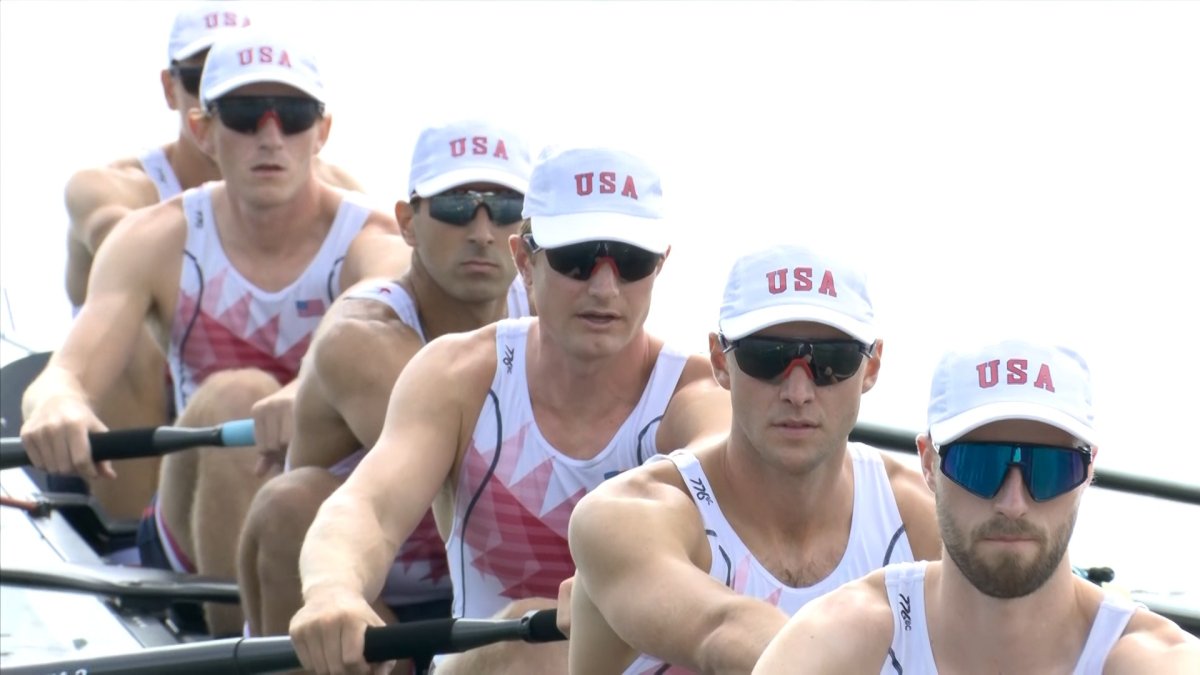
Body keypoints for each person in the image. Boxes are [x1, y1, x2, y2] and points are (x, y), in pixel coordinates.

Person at [288, 146, 734, 675]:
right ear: (524, 260)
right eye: (577, 259)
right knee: (539, 643)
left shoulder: (697, 400)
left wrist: (626, 577)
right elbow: (367, 509)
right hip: (499, 658)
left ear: (659, 266)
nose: (605, 288)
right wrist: (332, 589)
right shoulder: (459, 376)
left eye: (631, 262)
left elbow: (736, 528)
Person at [21, 28, 408, 636]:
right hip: (197, 498)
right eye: (246, 116)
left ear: (322, 132)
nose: (271, 138)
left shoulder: (373, 237)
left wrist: (303, 392)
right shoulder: (154, 235)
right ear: (203, 129)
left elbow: (372, 311)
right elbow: (61, 377)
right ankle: (243, 640)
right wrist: (59, 406)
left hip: (321, 503)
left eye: (295, 116)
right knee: (237, 393)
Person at [565, 243, 942, 674]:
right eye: (767, 358)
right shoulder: (624, 517)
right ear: (719, 362)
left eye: (831, 362)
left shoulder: (921, 518)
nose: (798, 393)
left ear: (871, 367)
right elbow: (722, 630)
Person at [237, 119, 535, 651]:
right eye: (456, 207)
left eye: (505, 209)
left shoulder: (560, 305)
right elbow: (479, 473)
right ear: (408, 223)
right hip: (368, 600)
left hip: (491, 593)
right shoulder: (364, 336)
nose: (483, 232)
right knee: (287, 506)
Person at [60, 1, 361, 522]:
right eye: (211, 80)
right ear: (175, 91)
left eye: (286, 111)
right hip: (160, 402)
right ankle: (130, 533)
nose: (268, 132)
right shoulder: (119, 192)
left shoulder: (345, 202)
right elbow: (124, 240)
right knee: (147, 330)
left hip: (278, 409)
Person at [754, 339, 1200, 673]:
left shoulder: (1152, 663)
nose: (1013, 502)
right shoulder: (841, 642)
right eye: (980, 465)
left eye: (1049, 468)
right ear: (928, 463)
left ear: (1087, 471)